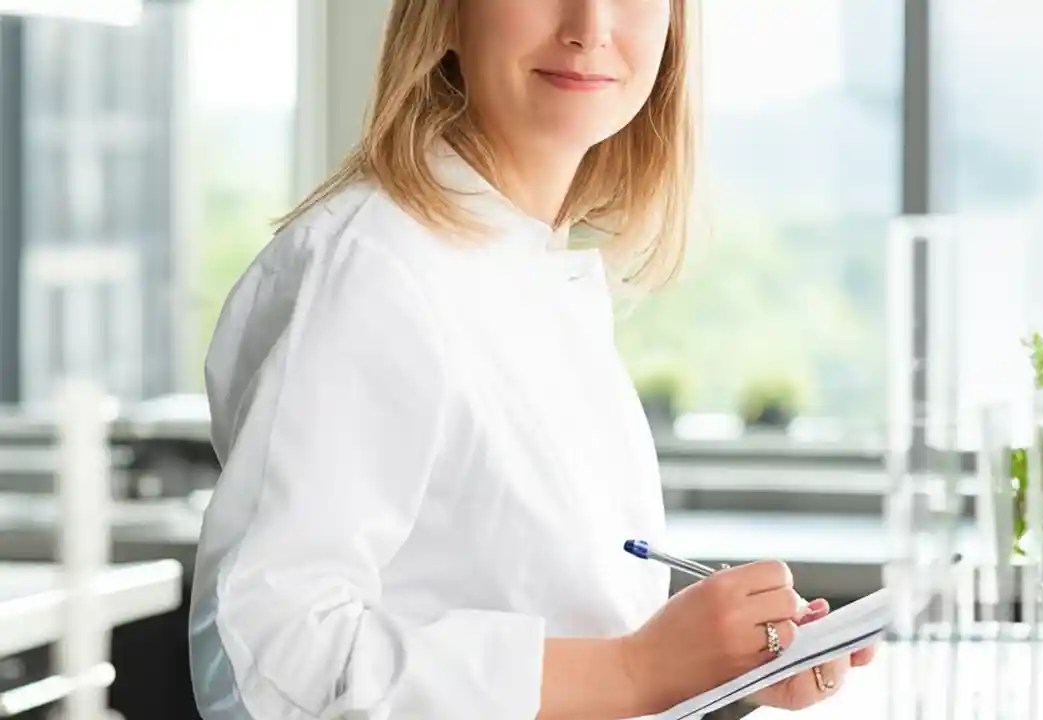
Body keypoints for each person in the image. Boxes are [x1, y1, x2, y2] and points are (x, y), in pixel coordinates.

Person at [188, 0, 875, 717]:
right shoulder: (376, 266)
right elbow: (265, 664)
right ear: (446, 14)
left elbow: (550, 632)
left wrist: (713, 667)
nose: (591, 25)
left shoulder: (527, 266)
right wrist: (635, 670)